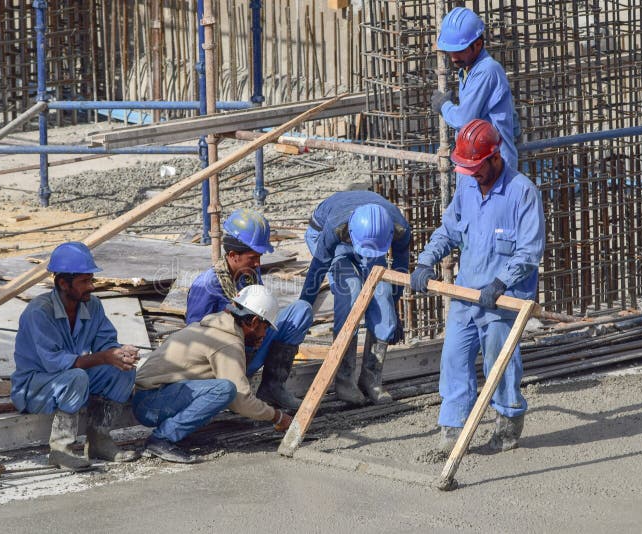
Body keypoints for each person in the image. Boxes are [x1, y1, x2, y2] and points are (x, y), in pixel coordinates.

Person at [409, 119, 545, 454]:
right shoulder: (467, 186)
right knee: (454, 357)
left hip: (504, 299)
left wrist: (501, 282)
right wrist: (426, 261)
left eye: (476, 166)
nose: (471, 173)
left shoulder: (522, 192)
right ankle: (453, 430)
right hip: (467, 293)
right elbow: (449, 230)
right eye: (466, 167)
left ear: (495, 157)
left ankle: (508, 423)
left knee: (499, 362)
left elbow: (530, 250)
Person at [10, 242, 139, 471]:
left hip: (70, 380)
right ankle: (61, 450)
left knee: (122, 370)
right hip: (35, 387)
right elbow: (55, 363)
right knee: (76, 376)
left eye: (91, 280)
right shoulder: (39, 312)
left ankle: (99, 441)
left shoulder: (93, 306)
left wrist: (120, 352)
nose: (91, 286)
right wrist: (105, 356)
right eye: (84, 282)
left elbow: (106, 343)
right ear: (63, 283)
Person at [134, 285, 293, 463]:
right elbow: (239, 401)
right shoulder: (227, 342)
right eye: (265, 328)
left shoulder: (215, 326)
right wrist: (277, 416)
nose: (264, 335)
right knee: (224, 390)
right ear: (254, 321)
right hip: (149, 404)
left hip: (152, 398)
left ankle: (178, 435)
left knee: (218, 387)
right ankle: (161, 439)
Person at [186, 208, 313, 411]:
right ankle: (227, 391)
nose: (258, 263)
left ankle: (273, 387)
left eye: (259, 257)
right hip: (225, 359)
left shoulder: (250, 274)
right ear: (234, 255)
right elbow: (192, 334)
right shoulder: (207, 285)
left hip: (252, 348)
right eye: (253, 257)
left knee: (300, 311)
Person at [300, 191, 411, 406]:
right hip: (324, 234)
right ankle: (344, 380)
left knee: (383, 295)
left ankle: (371, 379)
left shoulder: (398, 228)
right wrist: (304, 307)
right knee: (349, 291)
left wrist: (393, 312)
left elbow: (398, 272)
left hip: (369, 238)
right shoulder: (335, 227)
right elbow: (317, 270)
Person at [431, 6, 519, 172]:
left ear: (478, 44)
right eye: (450, 51)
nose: (454, 57)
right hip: (475, 162)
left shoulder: (487, 70)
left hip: (492, 166)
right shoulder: (467, 69)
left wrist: (444, 105)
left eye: (460, 50)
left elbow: (464, 119)